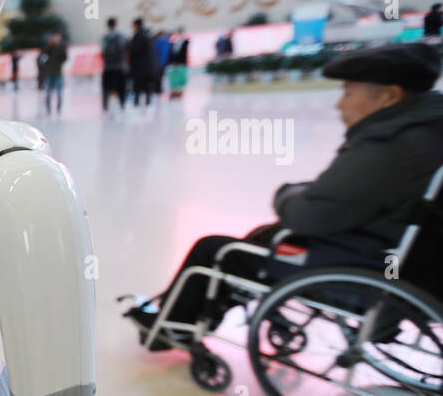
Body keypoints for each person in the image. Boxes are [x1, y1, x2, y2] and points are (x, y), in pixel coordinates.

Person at [124, 43, 443, 348]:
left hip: (357, 265)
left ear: (390, 95)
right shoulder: (426, 131)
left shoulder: (387, 148)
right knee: (260, 239)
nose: (339, 104)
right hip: (385, 255)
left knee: (216, 250)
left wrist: (287, 195)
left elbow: (308, 215)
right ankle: (193, 311)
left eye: (347, 92)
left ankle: (174, 327)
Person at [99, 17, 127, 114]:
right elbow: (125, 50)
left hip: (108, 67)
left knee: (106, 87)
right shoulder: (121, 36)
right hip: (119, 66)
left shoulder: (104, 37)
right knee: (121, 87)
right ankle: (122, 104)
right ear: (116, 25)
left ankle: (105, 106)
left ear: (108, 25)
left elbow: (102, 52)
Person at [128, 18, 156, 108]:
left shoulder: (138, 36)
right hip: (147, 65)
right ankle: (147, 102)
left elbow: (134, 50)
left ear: (136, 25)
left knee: (138, 86)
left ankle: (137, 103)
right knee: (147, 86)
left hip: (139, 66)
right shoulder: (147, 33)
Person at [39, 33, 67, 115]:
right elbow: (43, 55)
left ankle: (59, 107)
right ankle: (48, 107)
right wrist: (50, 44)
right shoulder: (48, 47)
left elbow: (64, 57)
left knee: (59, 91)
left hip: (57, 72)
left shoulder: (61, 47)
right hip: (49, 73)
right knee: (48, 91)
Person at [166, 28, 190, 99]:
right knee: (174, 79)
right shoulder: (174, 42)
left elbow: (183, 53)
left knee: (181, 79)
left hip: (180, 63)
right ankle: (174, 92)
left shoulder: (184, 42)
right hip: (175, 64)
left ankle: (179, 93)